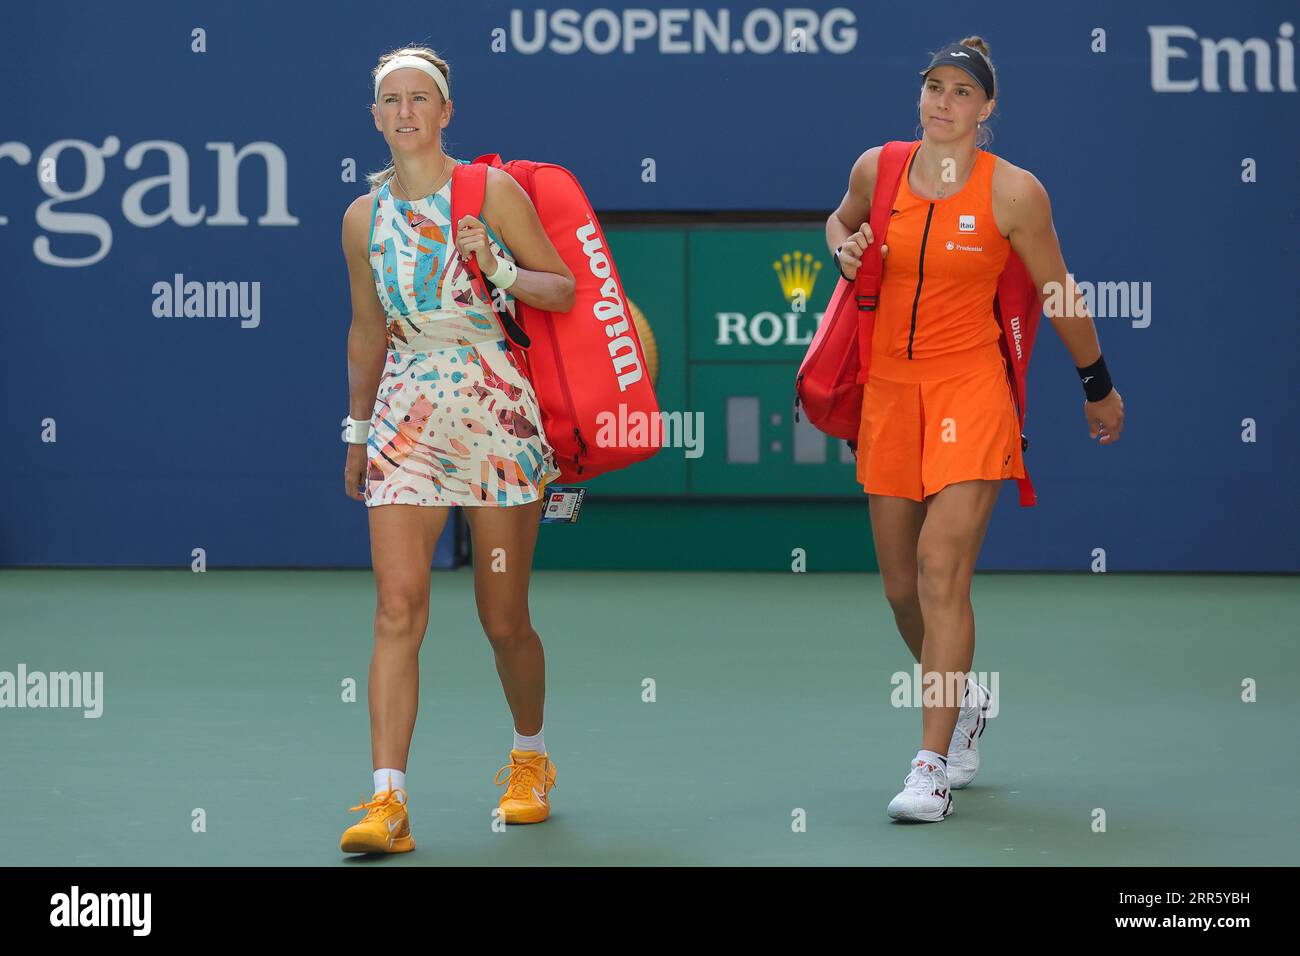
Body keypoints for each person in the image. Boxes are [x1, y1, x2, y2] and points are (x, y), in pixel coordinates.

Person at [826, 36, 1125, 822]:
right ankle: (964, 703)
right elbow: (838, 224)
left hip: (971, 391)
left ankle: (929, 767)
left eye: (962, 91)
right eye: (934, 86)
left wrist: (1095, 382)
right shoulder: (877, 169)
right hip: (889, 395)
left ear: (986, 109)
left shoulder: (1015, 193)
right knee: (900, 592)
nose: (944, 102)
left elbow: (1057, 292)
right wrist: (844, 247)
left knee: (938, 568)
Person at [337, 46, 576, 853]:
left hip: (496, 415)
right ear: (375, 117)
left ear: (446, 113)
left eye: (420, 99)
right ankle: (387, 803)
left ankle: (530, 758)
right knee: (397, 608)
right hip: (406, 422)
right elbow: (369, 331)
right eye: (391, 101)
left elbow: (561, 288)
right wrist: (359, 433)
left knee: (502, 619)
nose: (405, 113)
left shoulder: (491, 192)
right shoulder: (362, 219)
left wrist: (498, 265)